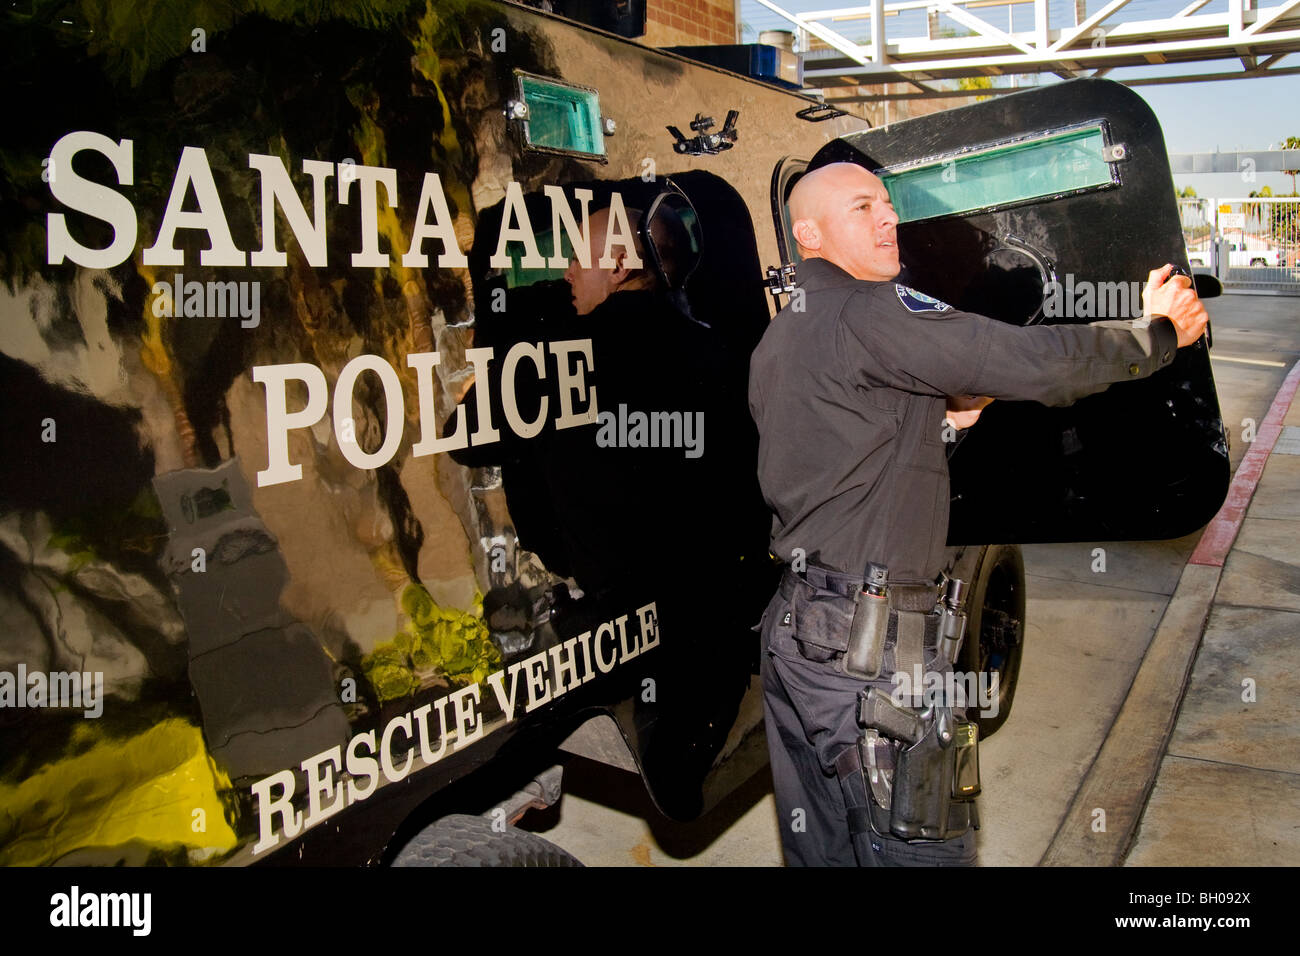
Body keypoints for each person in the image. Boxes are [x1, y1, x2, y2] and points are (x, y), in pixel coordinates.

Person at [747, 161, 1208, 866]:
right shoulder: (872, 310)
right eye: (862, 206)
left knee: (828, 851)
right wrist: (1155, 336)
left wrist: (948, 424)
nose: (888, 218)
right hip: (873, 654)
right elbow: (1033, 360)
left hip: (798, 638)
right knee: (920, 851)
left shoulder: (784, 335)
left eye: (889, 206)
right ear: (807, 233)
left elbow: (845, 458)